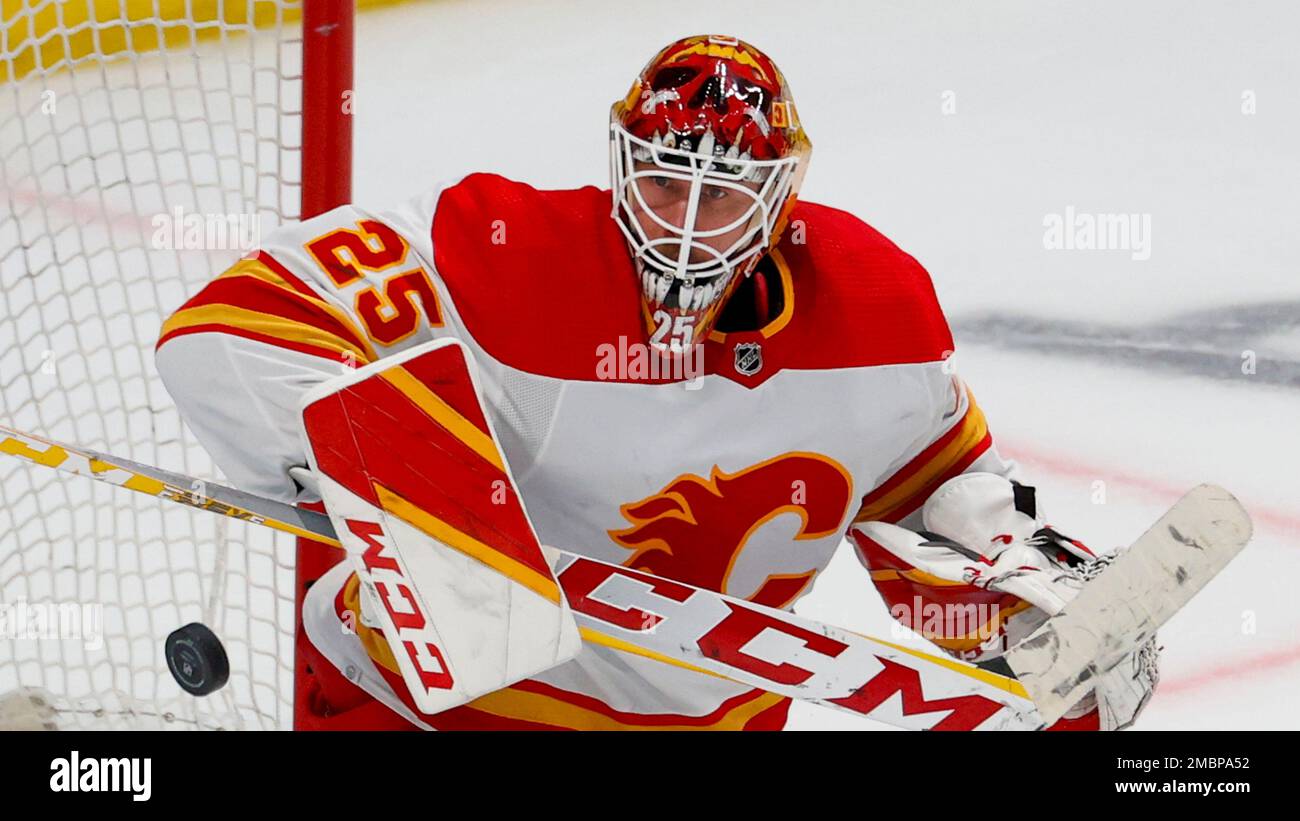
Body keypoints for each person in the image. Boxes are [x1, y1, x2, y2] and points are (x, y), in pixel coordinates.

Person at [155, 34, 1156, 730]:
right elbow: (227, 327)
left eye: (720, 192)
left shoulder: (875, 310)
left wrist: (1023, 604)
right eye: (666, 179)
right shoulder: (495, 247)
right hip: (410, 705)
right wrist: (401, 491)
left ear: (779, 197)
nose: (685, 219)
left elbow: (931, 495)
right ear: (620, 162)